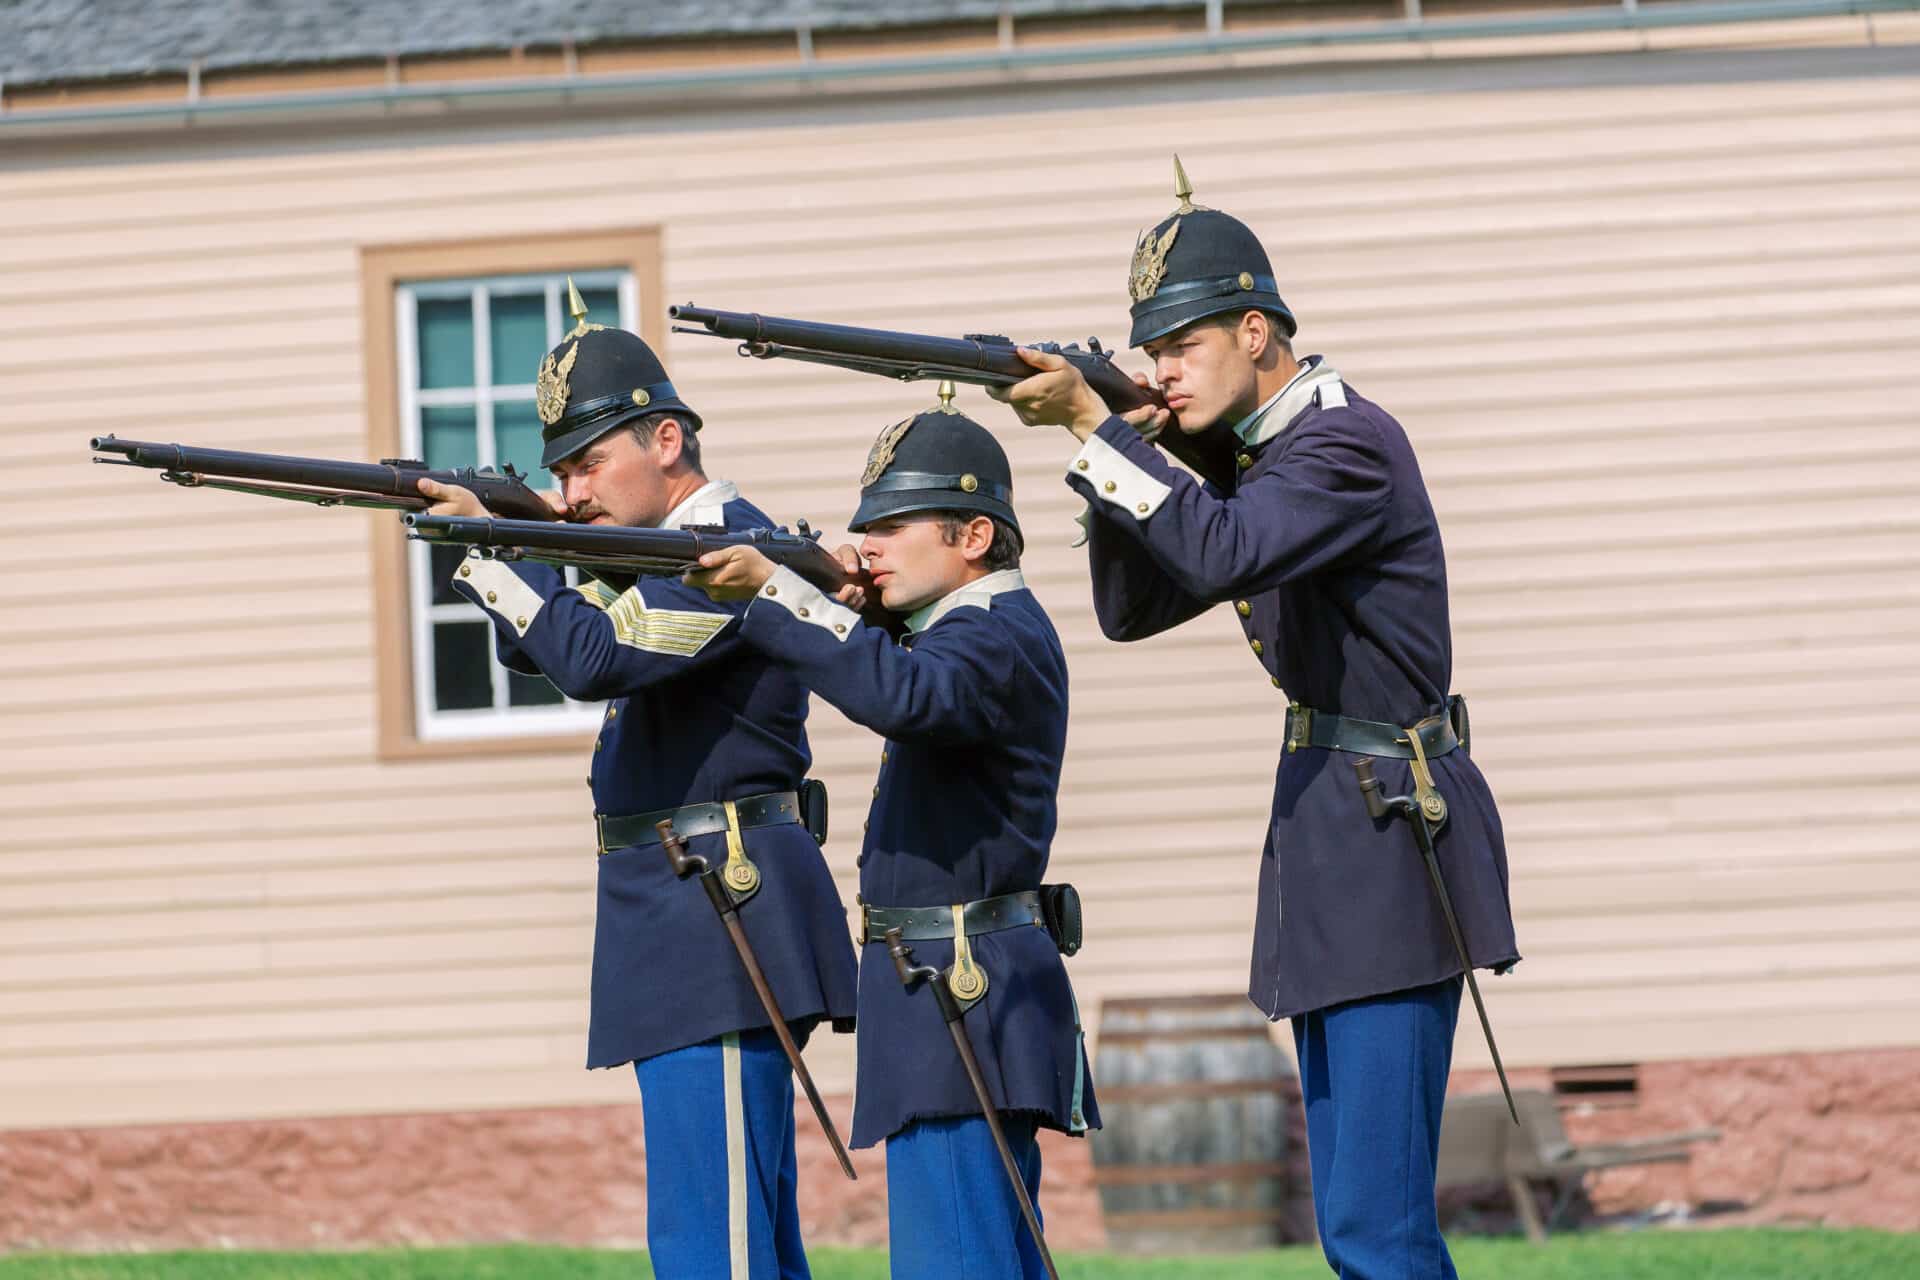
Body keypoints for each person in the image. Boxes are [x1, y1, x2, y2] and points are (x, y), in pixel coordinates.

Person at [989, 169, 1520, 1279]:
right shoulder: (1263, 462)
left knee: (1379, 1229)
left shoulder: (1344, 445)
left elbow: (1223, 549)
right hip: (1335, 838)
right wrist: (1118, 447)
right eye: (1151, 350)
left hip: (1388, 840)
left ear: (1257, 327)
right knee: (1353, 1228)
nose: (1164, 367)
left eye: (1183, 342)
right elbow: (1135, 607)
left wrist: (1101, 430)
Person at [421, 289, 857, 1280]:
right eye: (560, 474)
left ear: (666, 439)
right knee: (717, 1237)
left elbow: (593, 656)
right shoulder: (662, 560)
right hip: (678, 911)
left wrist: (492, 544)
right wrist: (514, 542)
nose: (572, 495)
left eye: (588, 466)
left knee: (723, 1248)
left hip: (717, 911)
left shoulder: (726, 556)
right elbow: (553, 648)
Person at [687, 395, 1096, 1280]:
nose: (866, 544)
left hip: (958, 993)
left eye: (893, 525)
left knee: (956, 1258)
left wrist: (777, 591)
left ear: (974, 538)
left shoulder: (992, 637)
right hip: (945, 995)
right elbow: (898, 671)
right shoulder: (967, 631)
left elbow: (907, 696)